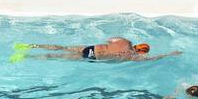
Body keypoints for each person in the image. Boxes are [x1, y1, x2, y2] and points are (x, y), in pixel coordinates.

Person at [12, 36, 180, 62]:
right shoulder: (131, 56)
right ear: (141, 51)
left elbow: (110, 39)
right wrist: (170, 54)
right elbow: (153, 59)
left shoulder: (126, 42)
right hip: (94, 56)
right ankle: (26, 57)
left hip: (92, 47)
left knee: (62, 48)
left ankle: (29, 46)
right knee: (57, 56)